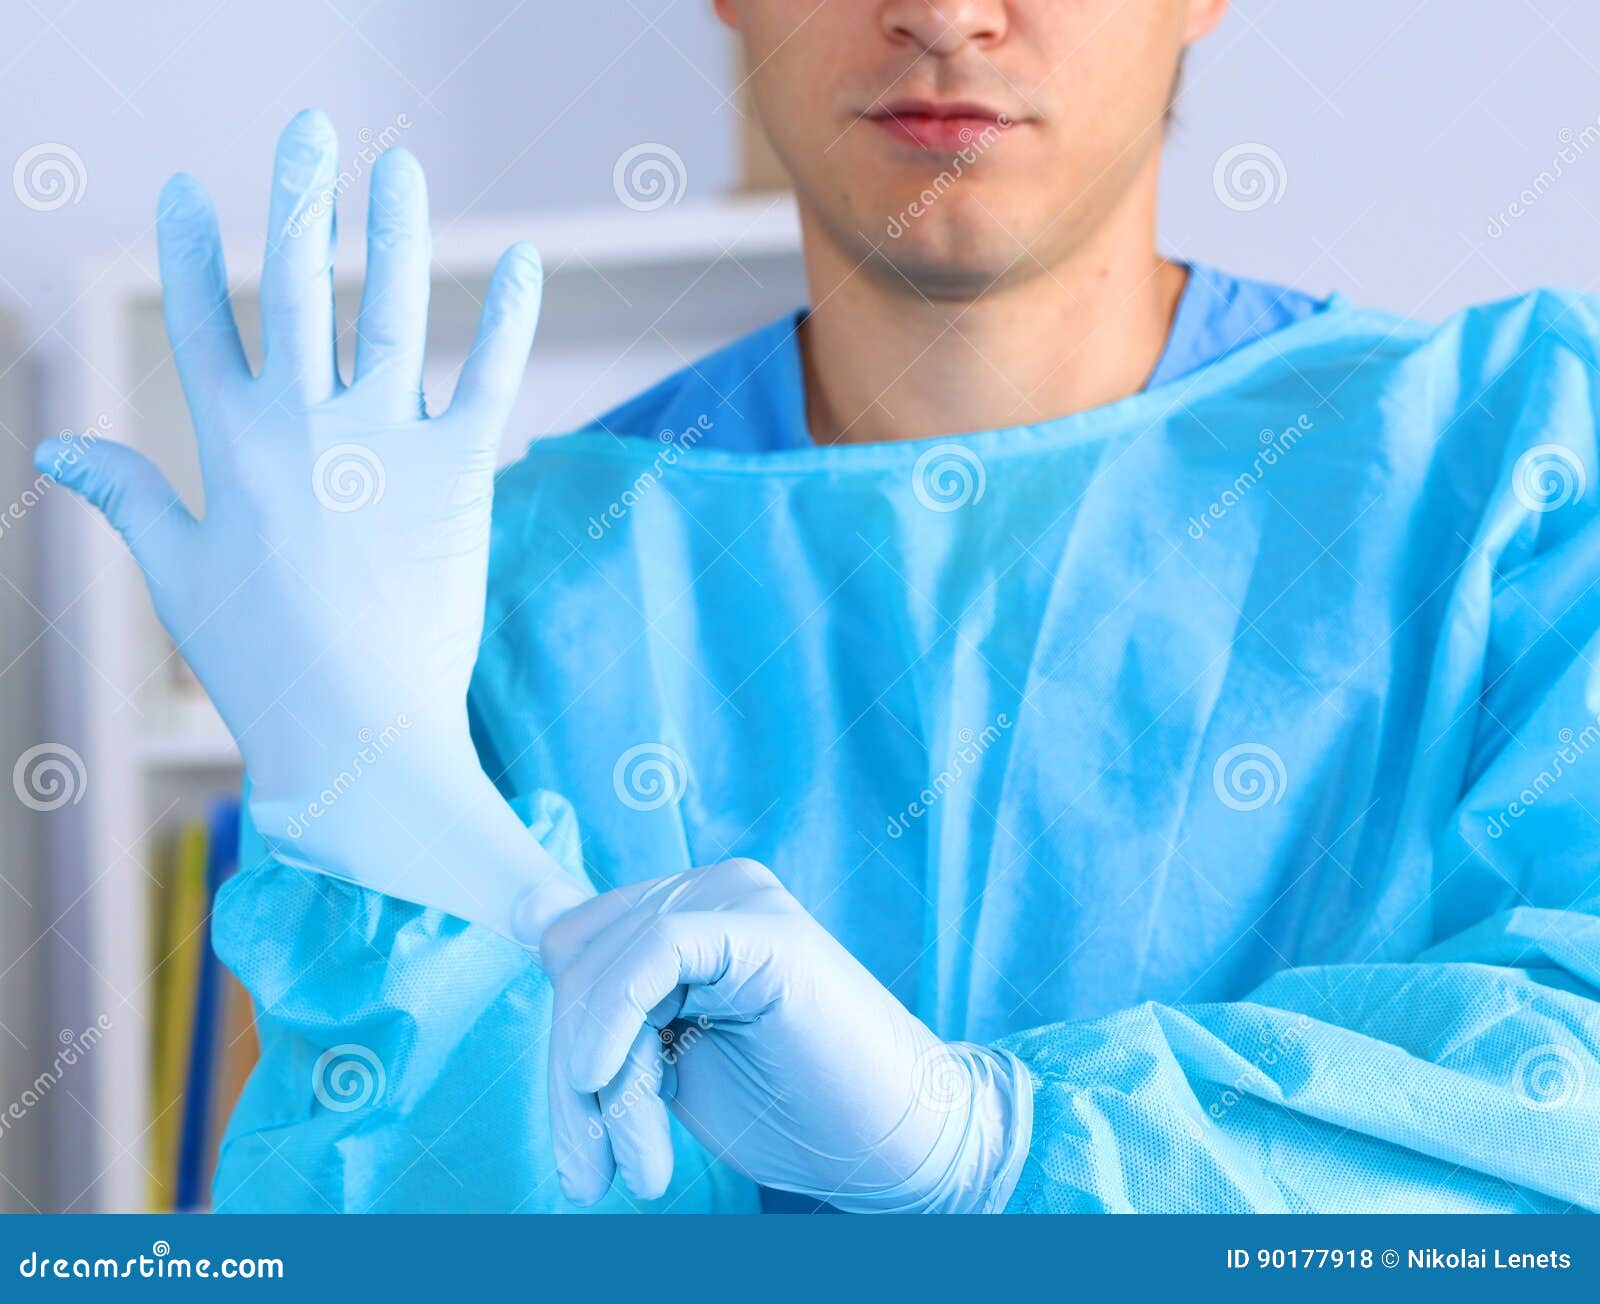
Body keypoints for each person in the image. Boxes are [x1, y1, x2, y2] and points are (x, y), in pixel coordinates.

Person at [37, 0, 1600, 1214]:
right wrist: (353, 816)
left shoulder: (1517, 482)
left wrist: (997, 1149)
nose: (942, 9)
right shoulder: (484, 599)